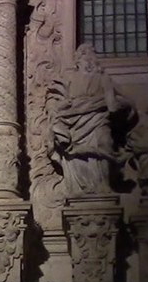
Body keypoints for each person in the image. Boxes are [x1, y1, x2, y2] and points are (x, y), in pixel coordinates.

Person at [48, 44, 132, 196]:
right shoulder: (72, 79)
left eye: (89, 54)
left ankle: (100, 186)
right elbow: (57, 102)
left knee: (100, 148)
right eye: (84, 54)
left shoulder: (99, 79)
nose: (87, 58)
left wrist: (113, 104)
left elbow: (124, 102)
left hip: (95, 120)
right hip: (76, 122)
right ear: (78, 61)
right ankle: (83, 188)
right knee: (84, 152)